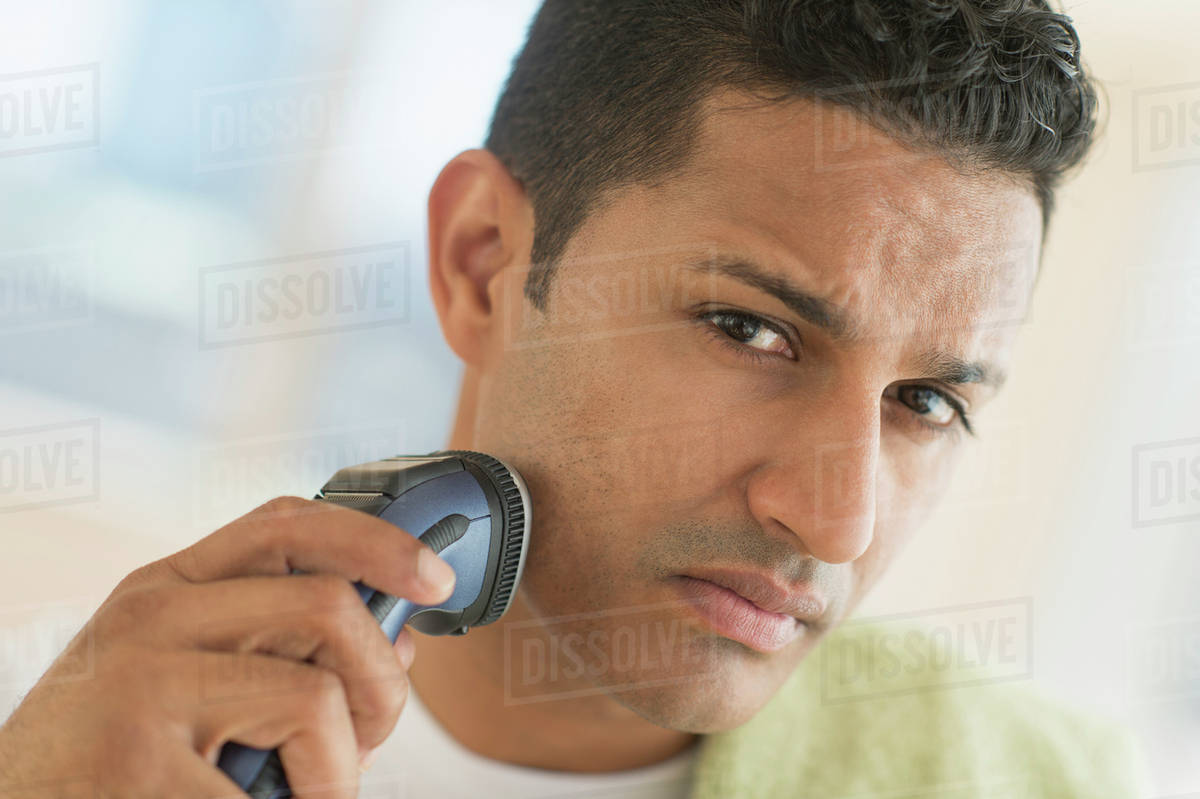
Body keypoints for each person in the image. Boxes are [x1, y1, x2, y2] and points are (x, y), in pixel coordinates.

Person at [0, 1, 1147, 797]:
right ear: (482, 261)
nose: (837, 521)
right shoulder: (58, 741)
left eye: (928, 402)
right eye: (751, 329)